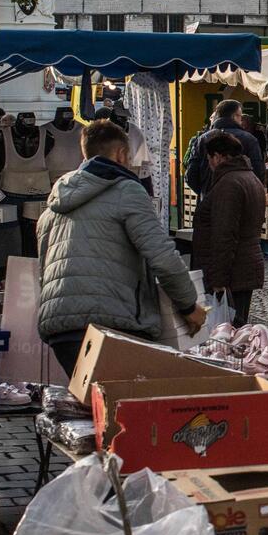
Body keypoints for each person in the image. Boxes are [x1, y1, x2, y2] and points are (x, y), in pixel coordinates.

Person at [38, 120, 204, 375]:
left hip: (61, 330)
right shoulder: (127, 190)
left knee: (91, 399)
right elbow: (162, 256)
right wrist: (189, 306)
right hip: (114, 324)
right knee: (123, 398)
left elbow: (43, 270)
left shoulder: (54, 204)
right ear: (121, 154)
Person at [190, 133, 266, 327]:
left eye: (209, 159)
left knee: (227, 331)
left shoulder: (229, 184)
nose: (209, 164)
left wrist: (218, 279)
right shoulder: (250, 178)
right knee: (238, 327)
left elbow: (224, 235)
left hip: (233, 272)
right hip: (245, 266)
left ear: (218, 156)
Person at [185, 100, 265, 197]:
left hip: (208, 199)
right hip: (239, 200)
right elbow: (258, 172)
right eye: (240, 116)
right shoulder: (249, 139)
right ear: (234, 116)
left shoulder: (202, 139)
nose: (241, 120)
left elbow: (191, 175)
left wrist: (205, 192)